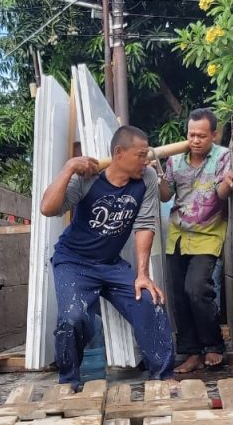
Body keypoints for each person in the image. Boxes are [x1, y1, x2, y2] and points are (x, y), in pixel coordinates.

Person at [40, 125, 174, 389]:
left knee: (150, 301)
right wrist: (68, 169)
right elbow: (48, 208)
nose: (146, 160)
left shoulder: (146, 178)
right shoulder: (88, 179)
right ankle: (69, 382)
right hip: (74, 262)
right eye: (140, 154)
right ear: (119, 153)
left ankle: (164, 377)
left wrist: (143, 274)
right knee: (72, 317)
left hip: (111, 265)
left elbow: (145, 224)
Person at [158, 108, 233, 373]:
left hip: (208, 233)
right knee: (178, 296)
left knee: (197, 289)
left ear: (214, 135)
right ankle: (191, 353)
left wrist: (228, 182)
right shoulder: (174, 160)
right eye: (192, 134)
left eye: (202, 135)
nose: (196, 140)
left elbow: (223, 193)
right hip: (178, 234)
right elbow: (166, 195)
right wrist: (156, 174)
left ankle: (213, 346)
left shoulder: (223, 157)